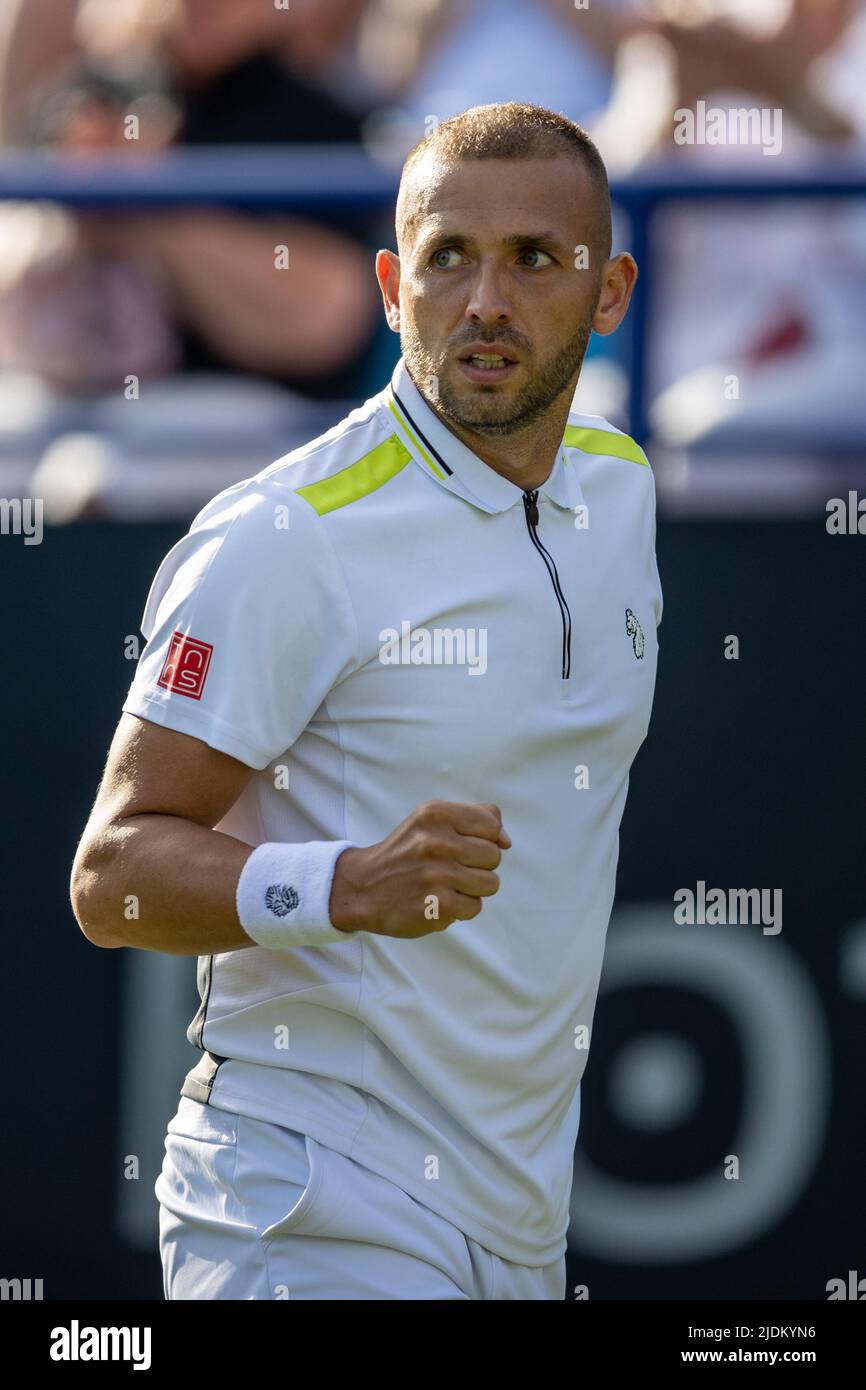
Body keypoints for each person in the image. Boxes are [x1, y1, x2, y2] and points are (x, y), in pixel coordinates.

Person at [70, 101, 663, 1301]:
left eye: (533, 260)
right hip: (306, 1202)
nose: (484, 301)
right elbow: (111, 874)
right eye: (448, 257)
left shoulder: (619, 486)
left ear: (609, 294)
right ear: (393, 285)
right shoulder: (285, 537)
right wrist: (337, 884)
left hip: (516, 1227)